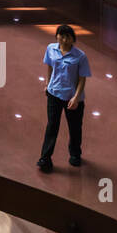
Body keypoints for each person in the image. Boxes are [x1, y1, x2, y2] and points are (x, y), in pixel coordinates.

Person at [37, 24, 91, 173]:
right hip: (54, 94)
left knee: (74, 128)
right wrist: (47, 84)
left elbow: (82, 79)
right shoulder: (51, 49)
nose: (64, 39)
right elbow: (49, 66)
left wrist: (76, 97)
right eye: (61, 35)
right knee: (52, 126)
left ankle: (75, 154)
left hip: (72, 98)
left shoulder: (80, 56)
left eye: (67, 36)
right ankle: (45, 158)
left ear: (73, 39)